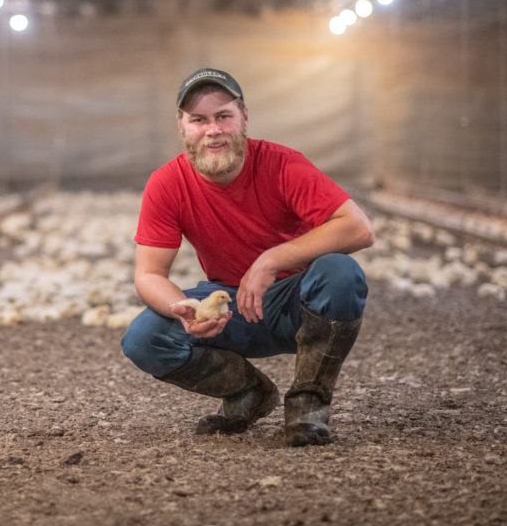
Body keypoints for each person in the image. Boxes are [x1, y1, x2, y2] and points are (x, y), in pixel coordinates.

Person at [121, 67, 374, 447]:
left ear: (244, 118)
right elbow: (149, 274)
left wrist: (270, 260)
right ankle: (248, 392)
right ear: (182, 126)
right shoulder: (167, 183)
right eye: (199, 120)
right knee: (144, 338)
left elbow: (358, 228)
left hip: (296, 305)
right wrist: (184, 309)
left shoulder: (282, 164)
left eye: (224, 116)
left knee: (340, 273)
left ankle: (308, 402)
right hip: (229, 311)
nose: (213, 130)